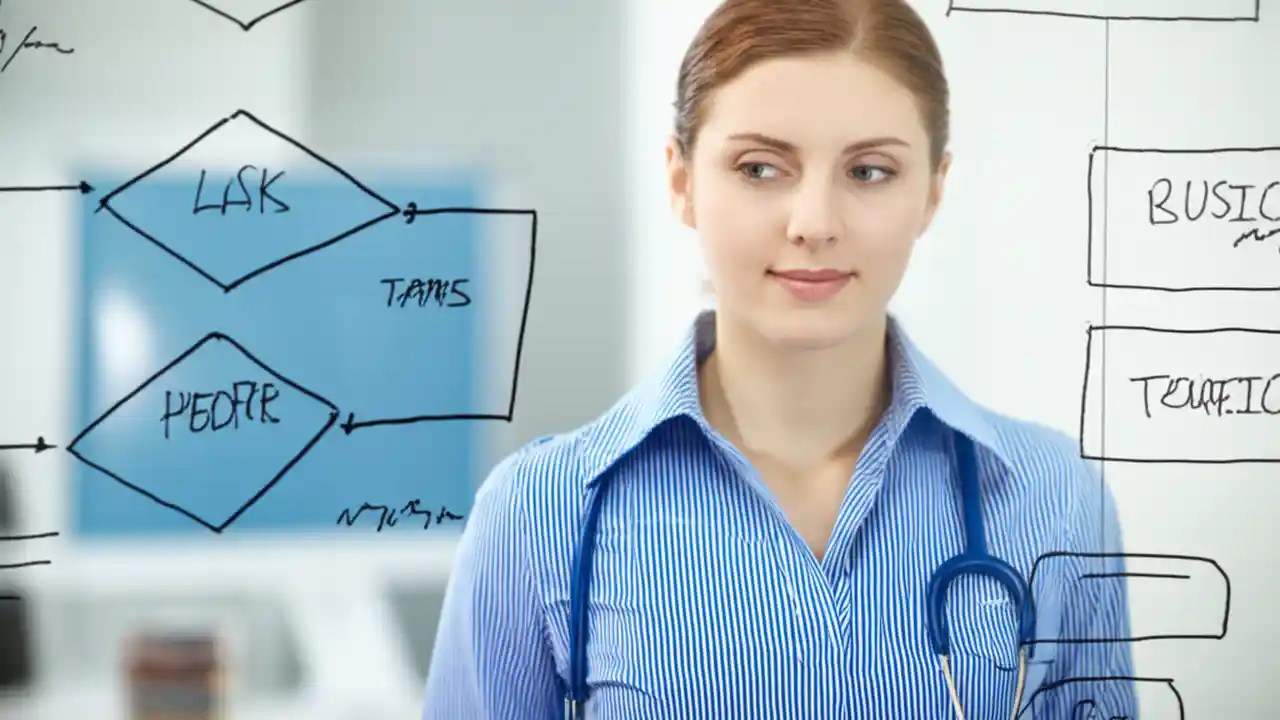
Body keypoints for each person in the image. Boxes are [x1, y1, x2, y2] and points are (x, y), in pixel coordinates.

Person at [421, 0, 1137, 717]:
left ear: (933, 191)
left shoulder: (1059, 502)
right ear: (682, 182)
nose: (815, 224)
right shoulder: (539, 513)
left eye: (870, 172)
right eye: (760, 168)